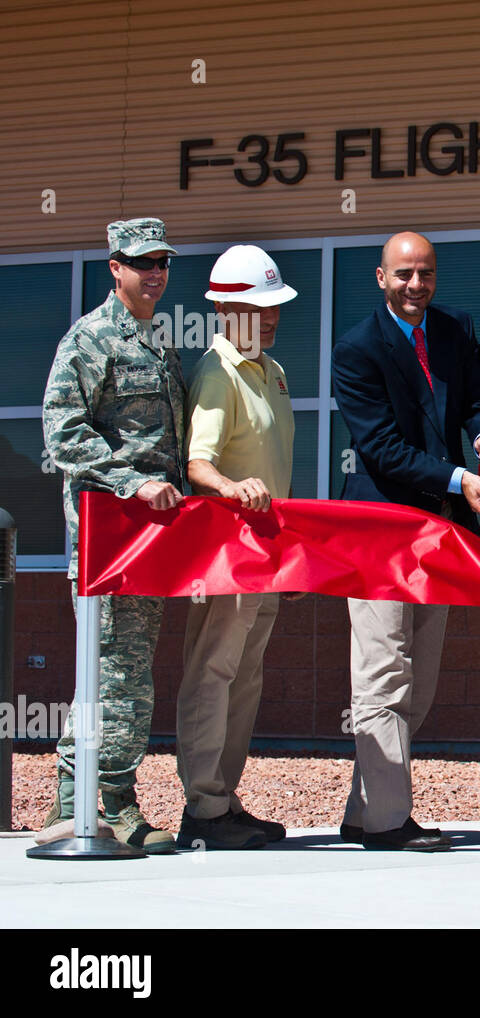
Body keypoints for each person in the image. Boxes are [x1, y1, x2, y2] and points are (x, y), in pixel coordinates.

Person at [332, 231, 480, 851]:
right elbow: (380, 449)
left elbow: (479, 402)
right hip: (381, 532)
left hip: (439, 535)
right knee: (384, 673)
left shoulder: (455, 330)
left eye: (425, 274)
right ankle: (385, 824)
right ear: (381, 279)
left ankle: (363, 809)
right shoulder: (357, 349)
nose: (415, 285)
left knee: (422, 676)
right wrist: (461, 478)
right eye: (403, 274)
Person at [41, 217, 186, 854]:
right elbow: (63, 433)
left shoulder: (158, 344)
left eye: (161, 262)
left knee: (132, 676)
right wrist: (130, 482)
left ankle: (119, 802)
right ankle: (73, 807)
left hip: (150, 543)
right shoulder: (90, 339)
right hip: (107, 539)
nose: (154, 273)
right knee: (106, 675)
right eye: (142, 262)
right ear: (115, 269)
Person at [175, 245, 300, 851]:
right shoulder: (217, 374)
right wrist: (231, 486)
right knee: (214, 671)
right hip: (228, 555)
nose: (269, 316)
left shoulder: (271, 371)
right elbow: (197, 464)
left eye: (274, 305)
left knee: (244, 677)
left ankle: (223, 798)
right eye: (257, 305)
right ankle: (202, 806)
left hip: (268, 556)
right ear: (225, 308)